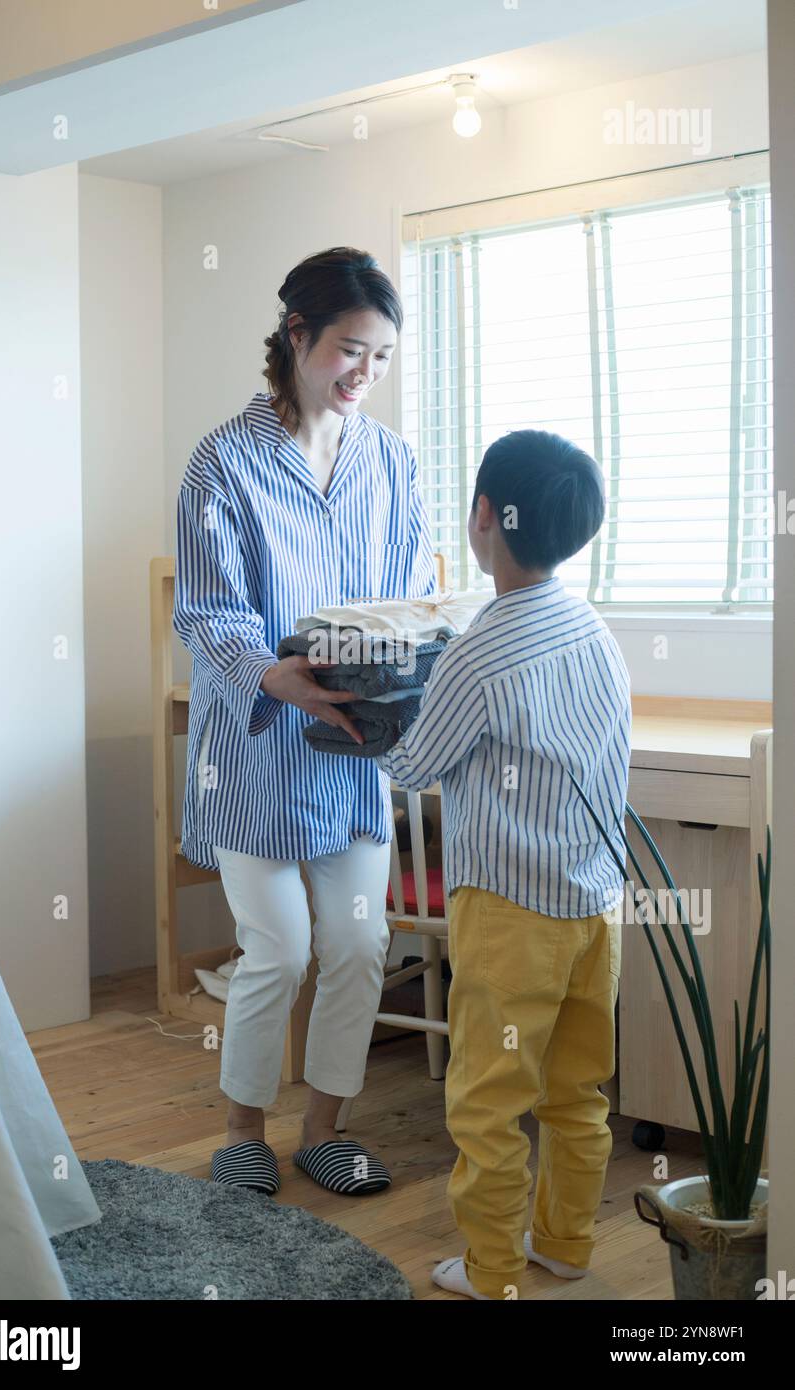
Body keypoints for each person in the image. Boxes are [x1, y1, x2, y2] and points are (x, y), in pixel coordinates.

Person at [172, 247, 436, 1197]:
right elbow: (206, 613)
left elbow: (414, 590)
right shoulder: (222, 462)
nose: (363, 375)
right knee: (279, 946)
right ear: (296, 337)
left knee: (362, 942)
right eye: (349, 351)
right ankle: (243, 1128)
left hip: (353, 748)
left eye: (382, 358)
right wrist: (276, 676)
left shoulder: (392, 461)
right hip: (253, 749)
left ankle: (326, 1128)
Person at [377, 429, 631, 1298]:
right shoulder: (592, 627)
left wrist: (365, 715)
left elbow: (413, 764)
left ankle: (491, 1272)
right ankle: (564, 1245)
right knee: (577, 1093)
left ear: (485, 516)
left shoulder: (481, 646)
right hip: (595, 906)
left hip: (512, 915)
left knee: (486, 1102)